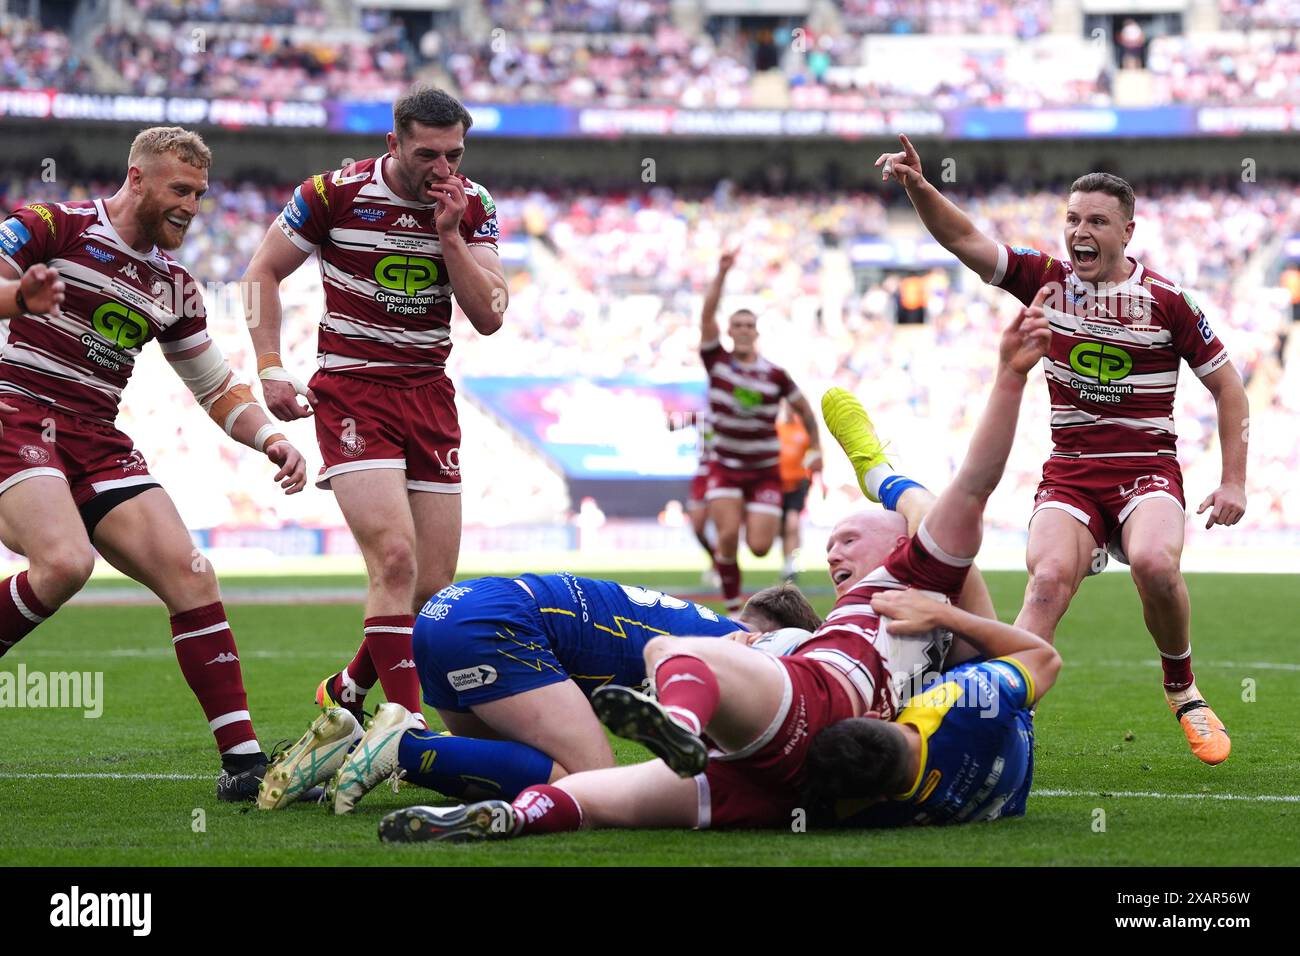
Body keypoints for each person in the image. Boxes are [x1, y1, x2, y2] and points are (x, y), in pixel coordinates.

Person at [374, 293, 1055, 842]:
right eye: (832, 547)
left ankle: (683, 726)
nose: (833, 553)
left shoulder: (900, 586)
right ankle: (519, 817)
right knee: (591, 799)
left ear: (897, 544)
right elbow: (985, 598)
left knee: (676, 650)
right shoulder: (944, 699)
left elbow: (970, 488)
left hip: (812, 705)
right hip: (821, 789)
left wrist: (1009, 376)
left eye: (849, 538)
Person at [876, 134, 1245, 764]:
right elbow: (965, 241)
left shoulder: (1168, 302)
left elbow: (1229, 388)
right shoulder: (1045, 279)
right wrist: (918, 185)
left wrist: (1233, 480)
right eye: (1073, 219)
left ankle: (1181, 687)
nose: (1081, 231)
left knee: (1156, 565)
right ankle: (993, 733)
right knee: (1045, 583)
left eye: (1097, 221)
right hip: (1070, 476)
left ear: (1128, 231)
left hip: (1144, 473)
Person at [0, 127, 309, 800]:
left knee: (193, 574)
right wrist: (18, 298)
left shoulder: (172, 286)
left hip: (94, 437)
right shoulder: (54, 225)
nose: (190, 207)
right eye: (179, 190)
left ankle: (245, 768)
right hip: (14, 410)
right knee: (65, 563)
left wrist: (270, 439)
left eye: (199, 194)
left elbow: (216, 387)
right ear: (137, 179)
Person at [241, 86, 507, 728]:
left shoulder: (474, 205)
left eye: (454, 155)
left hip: (429, 393)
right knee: (393, 558)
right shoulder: (330, 194)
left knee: (431, 589)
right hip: (353, 390)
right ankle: (406, 732)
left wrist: (450, 238)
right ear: (393, 144)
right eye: (427, 155)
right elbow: (259, 275)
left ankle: (347, 690)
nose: (442, 170)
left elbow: (492, 316)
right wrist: (270, 366)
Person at [256, 577, 820, 812]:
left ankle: (351, 744)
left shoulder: (709, 622)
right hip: (497, 625)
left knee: (511, 771)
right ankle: (404, 745)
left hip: (453, 612)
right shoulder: (756, 652)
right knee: (589, 785)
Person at [700, 246, 823, 613]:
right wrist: (721, 273)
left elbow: (806, 411)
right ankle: (734, 607)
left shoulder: (775, 375)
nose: (741, 331)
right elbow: (706, 315)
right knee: (725, 536)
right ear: (728, 331)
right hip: (726, 466)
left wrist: (817, 449)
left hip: (764, 470)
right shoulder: (716, 361)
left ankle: (747, 542)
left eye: (747, 325)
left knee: (758, 546)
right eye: (735, 325)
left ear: (756, 332)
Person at [667, 407, 719, 583]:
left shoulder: (734, 415)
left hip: (724, 473)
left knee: (723, 525)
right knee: (698, 527)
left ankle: (723, 568)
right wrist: (670, 418)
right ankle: (715, 560)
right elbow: (673, 426)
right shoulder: (701, 415)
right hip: (703, 474)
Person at [776, 399, 814, 582]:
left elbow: (814, 452)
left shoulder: (804, 429)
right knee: (783, 529)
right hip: (776, 485)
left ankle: (791, 564)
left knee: (792, 523)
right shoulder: (776, 429)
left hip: (797, 483)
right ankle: (787, 563)